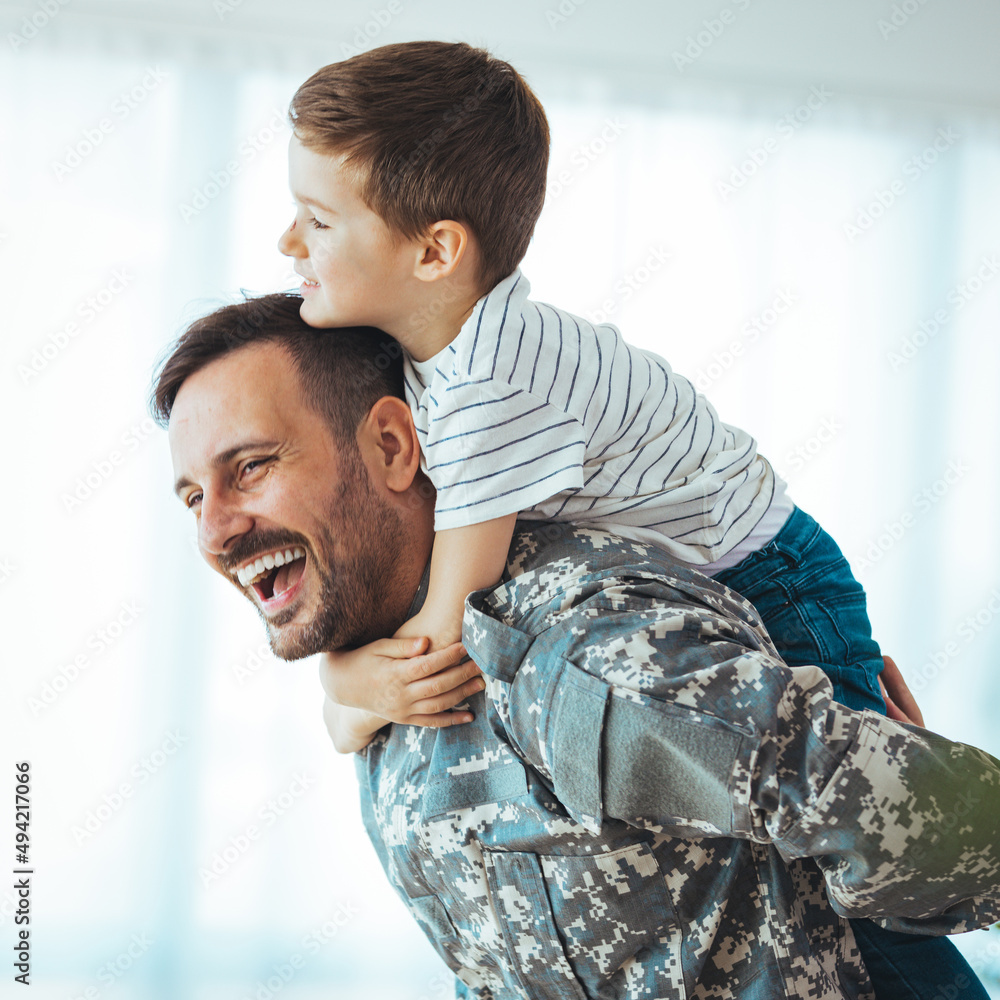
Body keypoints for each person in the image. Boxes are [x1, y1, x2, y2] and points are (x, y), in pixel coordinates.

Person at [273, 41, 987, 997]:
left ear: (436, 251)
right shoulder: (435, 351)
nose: (287, 243)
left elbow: (451, 629)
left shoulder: (491, 385)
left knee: (865, 847)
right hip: (731, 560)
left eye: (316, 220)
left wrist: (345, 690)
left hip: (769, 570)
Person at [154, 293, 999, 999]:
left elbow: (932, 818)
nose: (217, 529)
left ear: (391, 444)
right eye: (193, 496)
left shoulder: (579, 646)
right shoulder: (388, 688)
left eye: (252, 466)